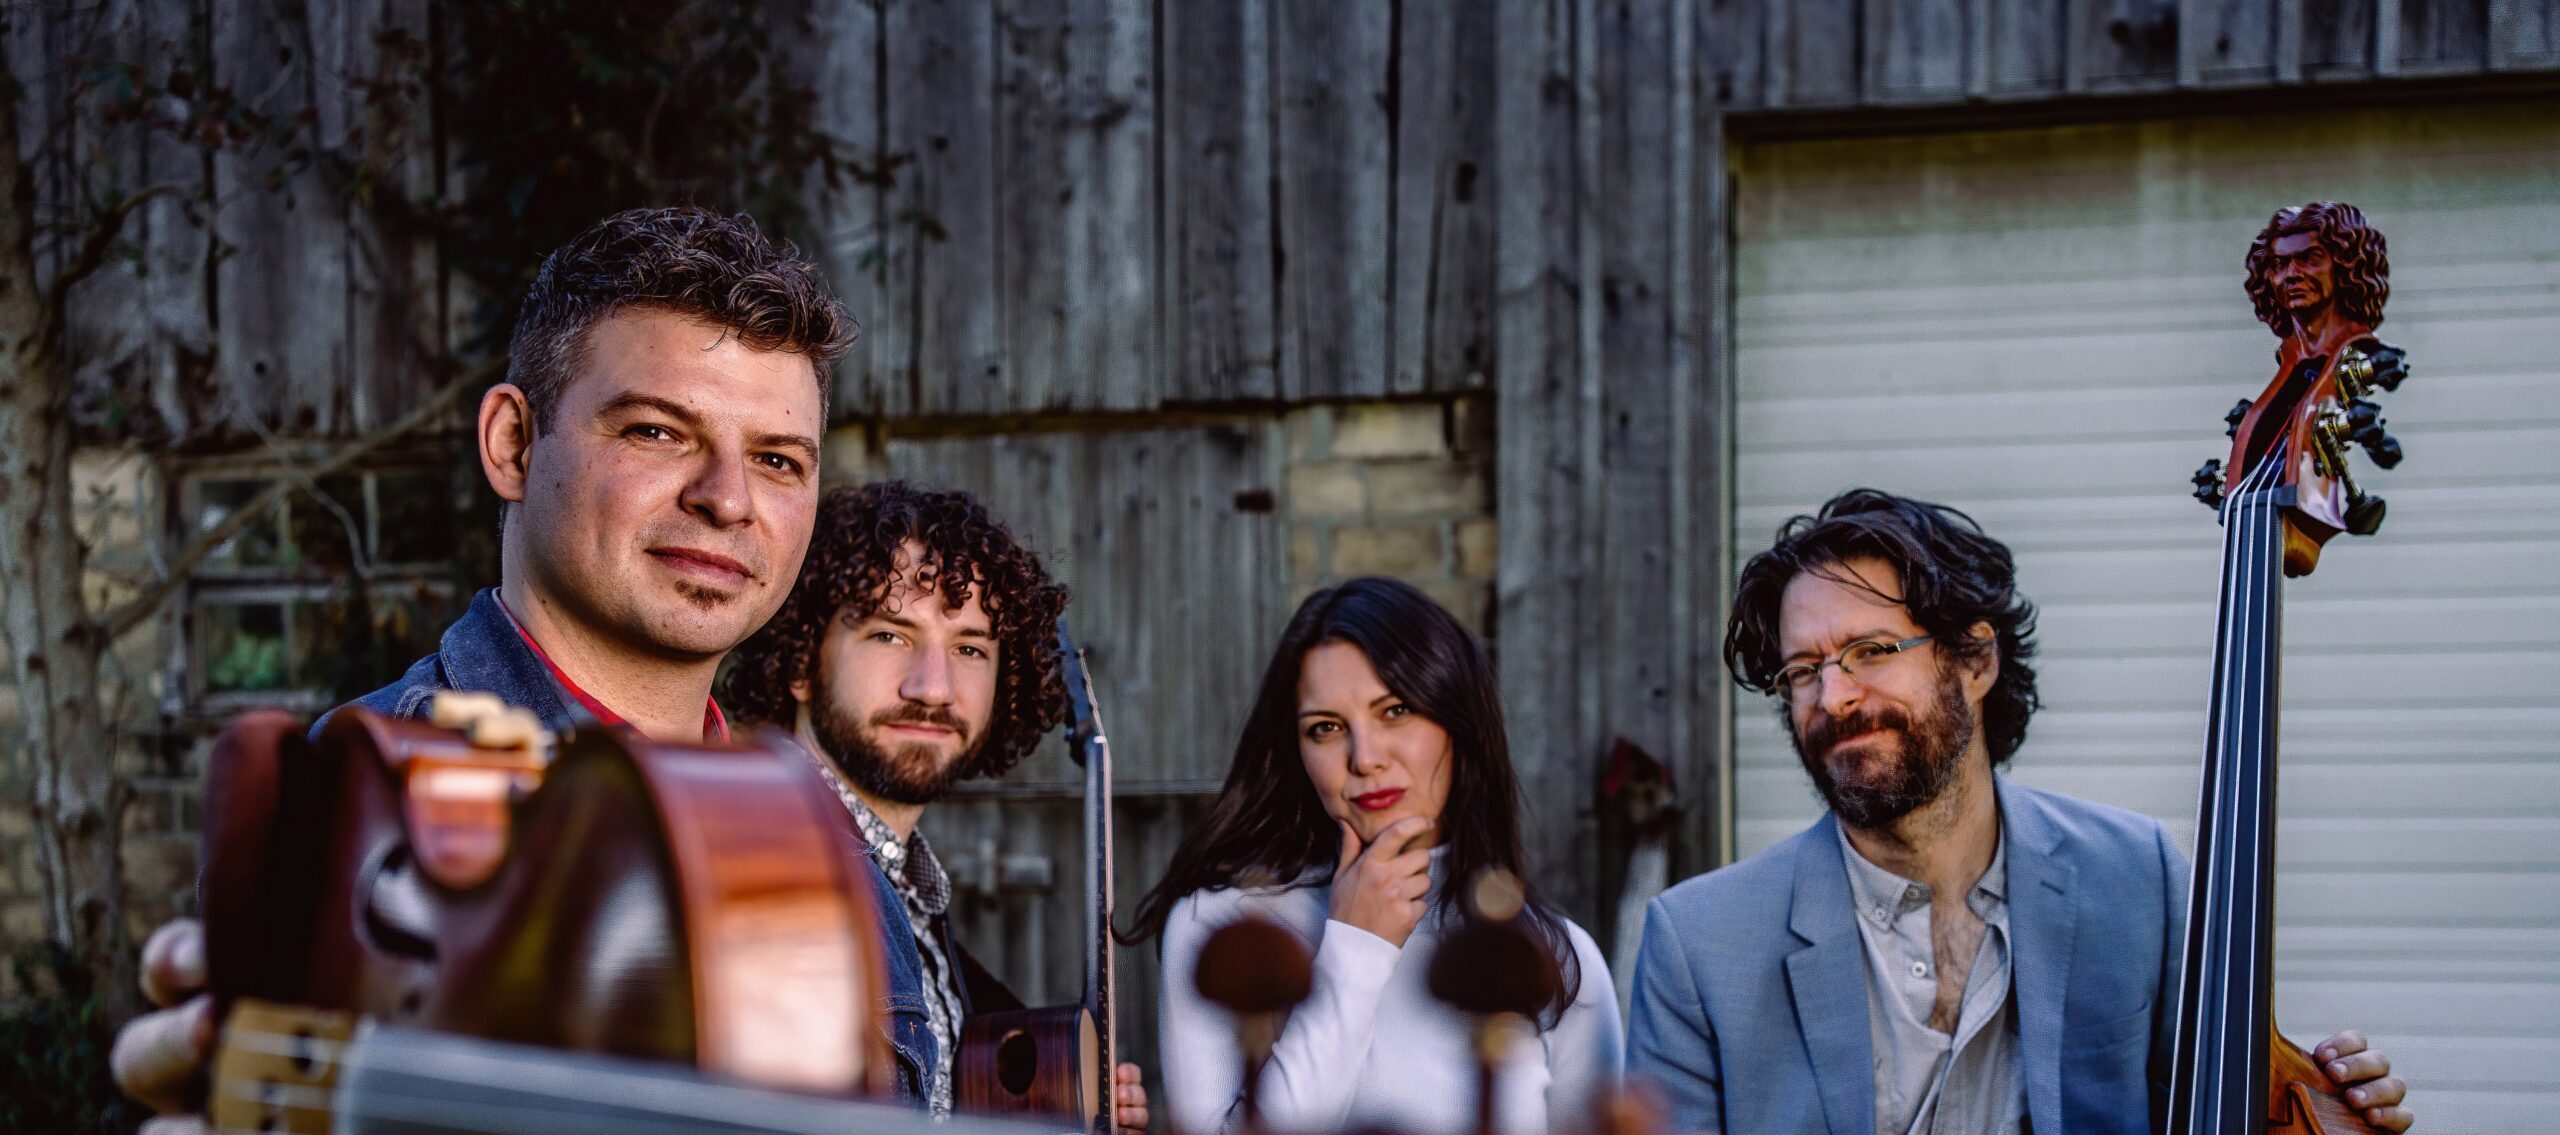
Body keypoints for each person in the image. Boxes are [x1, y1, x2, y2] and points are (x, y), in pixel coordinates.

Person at [104, 205, 960, 1129]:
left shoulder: (824, 842)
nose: (727, 499)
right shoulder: (368, 809)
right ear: (513, 442)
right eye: (656, 432)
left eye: (779, 459)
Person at [1625, 488, 2415, 1135]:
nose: (1833, 696)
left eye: (1871, 651)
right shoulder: (1700, 946)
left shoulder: (2140, 878)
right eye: (1803, 670)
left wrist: (2318, 1109)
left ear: (1975, 659)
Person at [720, 480, 1150, 1131]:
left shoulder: (916, 906)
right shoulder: (765, 869)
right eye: (892, 635)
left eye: (970, 648)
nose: (934, 686)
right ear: (803, 659)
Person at [1130, 577, 1621, 1135]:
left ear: (1458, 723)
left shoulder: (1551, 957)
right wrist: (1355, 947)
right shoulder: (1227, 927)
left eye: (1395, 711)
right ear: (1298, 751)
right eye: (1326, 728)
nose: (1364, 758)